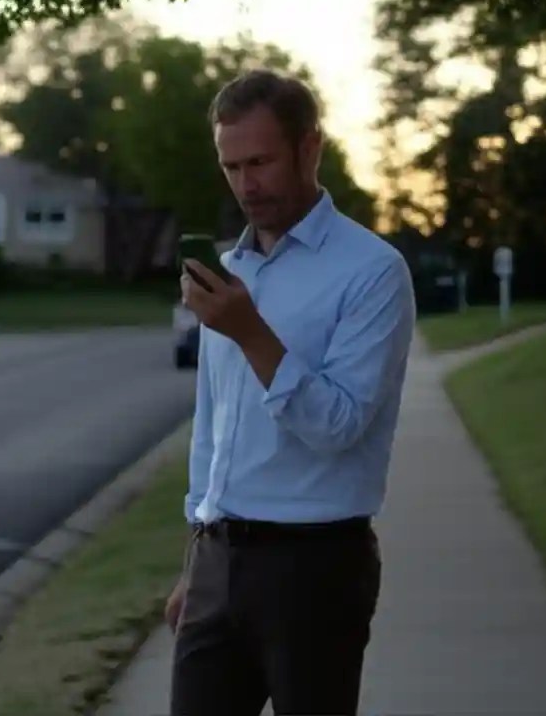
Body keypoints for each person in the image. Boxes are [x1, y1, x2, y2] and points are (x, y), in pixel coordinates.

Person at [169, 69, 416, 716]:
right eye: (231, 167)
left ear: (310, 148)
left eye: (260, 162)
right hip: (217, 561)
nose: (245, 185)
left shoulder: (373, 272)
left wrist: (251, 332)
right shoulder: (230, 271)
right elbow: (213, 426)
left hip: (316, 566)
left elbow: (340, 424)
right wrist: (194, 564)